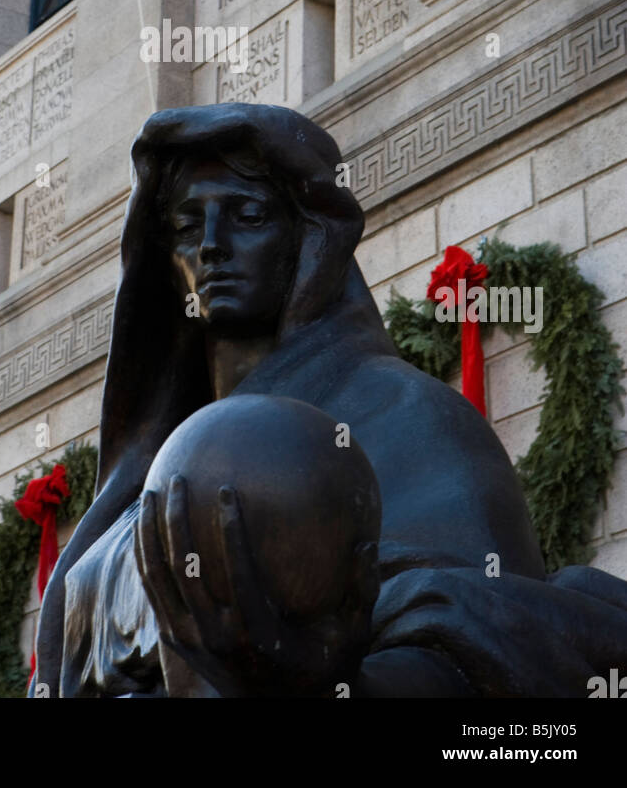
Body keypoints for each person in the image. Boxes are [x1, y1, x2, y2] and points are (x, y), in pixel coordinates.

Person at [34, 104, 627, 697]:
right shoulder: (139, 484)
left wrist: (328, 683)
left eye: (247, 215)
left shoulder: (410, 415)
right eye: (188, 226)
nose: (212, 246)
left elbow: (505, 647)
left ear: (308, 238)